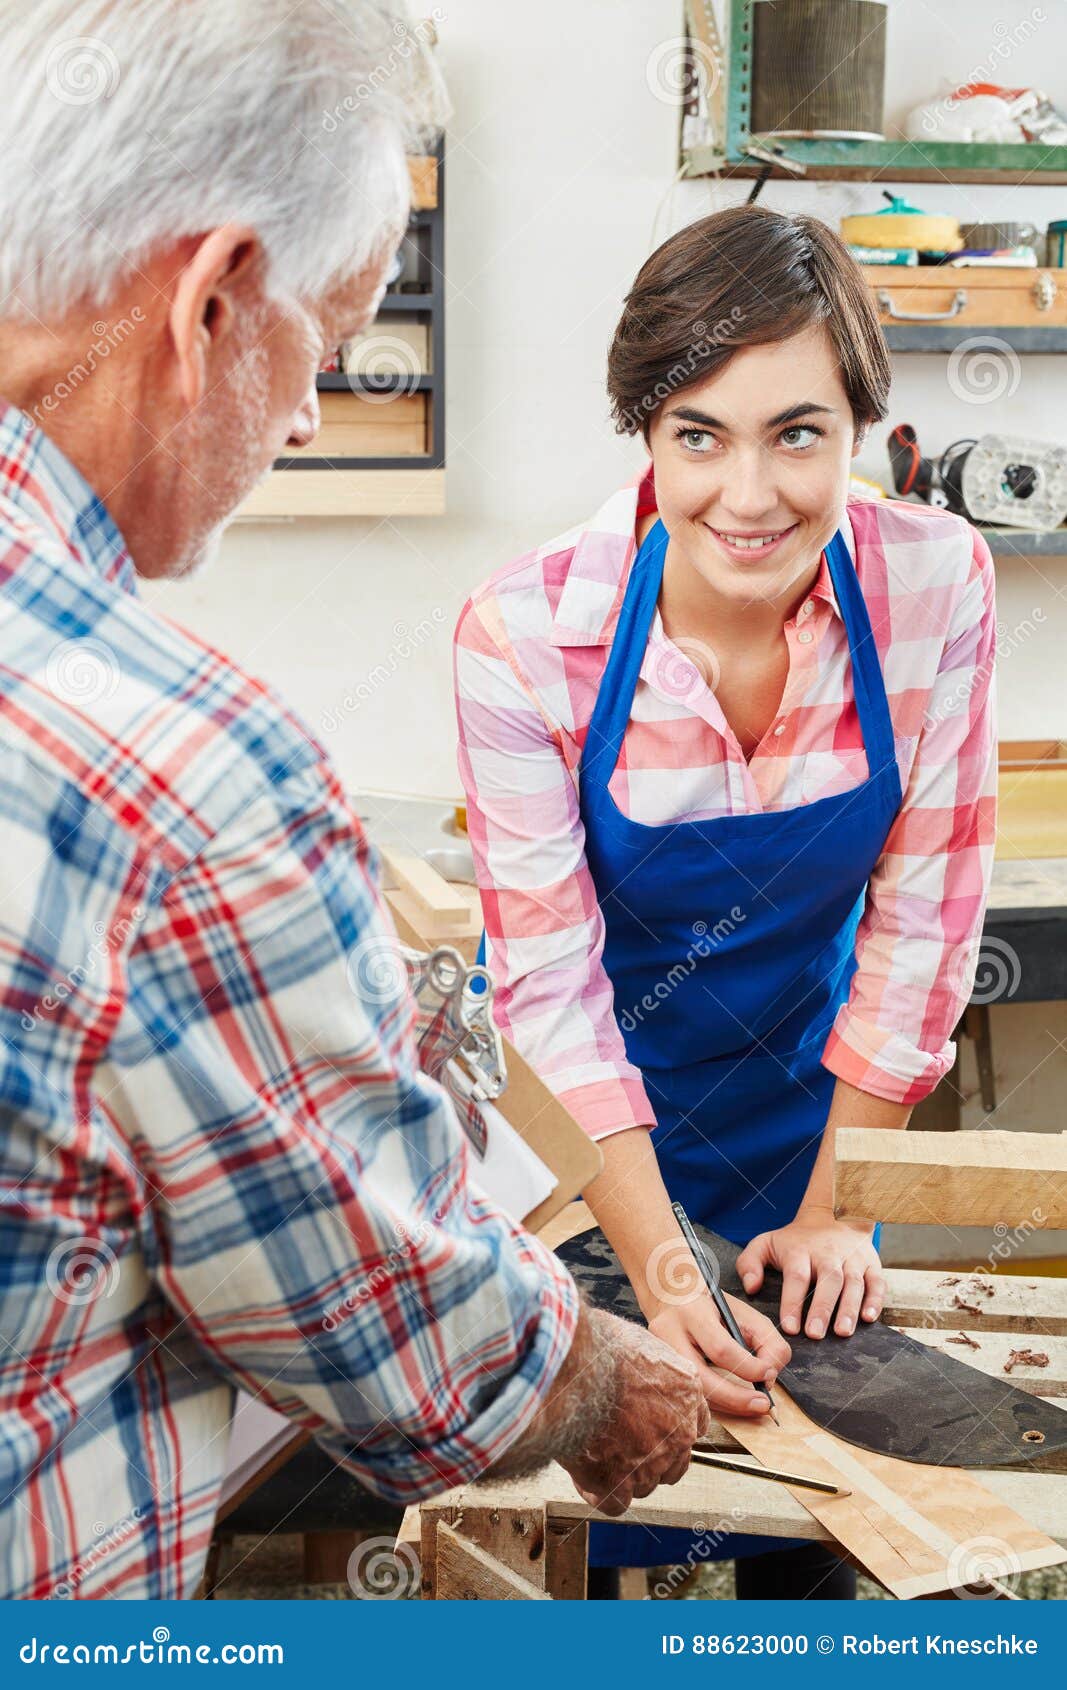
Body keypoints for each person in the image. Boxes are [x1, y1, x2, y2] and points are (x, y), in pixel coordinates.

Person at [0, 0, 763, 1601]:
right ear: (211, 301)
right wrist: (600, 1378)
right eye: (325, 350)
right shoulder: (177, 774)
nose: (301, 418)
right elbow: (373, 1315)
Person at [454, 204, 996, 1596]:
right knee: (607, 1491)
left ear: (864, 426)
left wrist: (831, 1209)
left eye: (798, 432)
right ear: (644, 429)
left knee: (823, 1515)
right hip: (584, 1160)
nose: (748, 493)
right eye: (699, 433)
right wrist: (665, 1271)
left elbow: (923, 927)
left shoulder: (934, 584)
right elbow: (553, 998)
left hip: (812, 1129)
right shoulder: (531, 636)